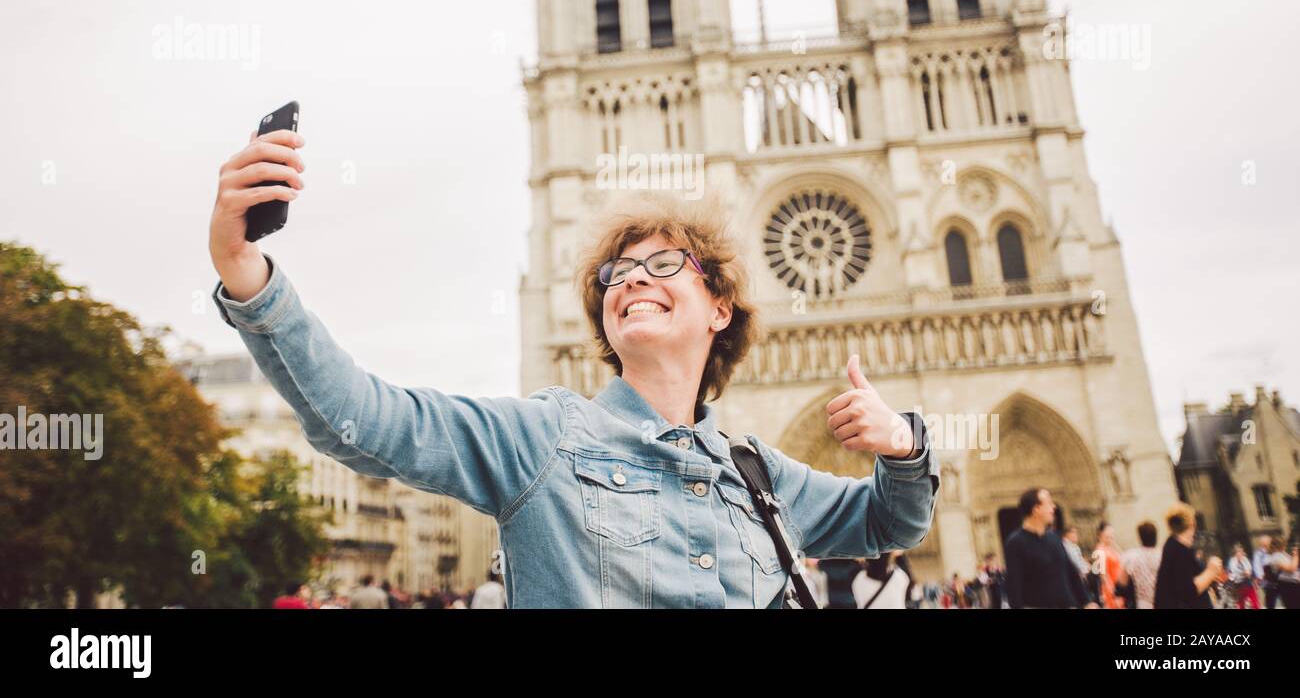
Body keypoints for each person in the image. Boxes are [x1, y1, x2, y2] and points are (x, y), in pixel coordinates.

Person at [207, 140, 940, 609]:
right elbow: (365, 418)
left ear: (720, 309)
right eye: (615, 275)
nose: (631, 281)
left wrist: (904, 448)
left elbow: (890, 521)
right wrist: (250, 278)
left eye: (663, 265)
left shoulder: (758, 475)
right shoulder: (541, 439)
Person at [1003, 488, 1093, 608]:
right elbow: (1014, 586)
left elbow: (1071, 572)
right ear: (1036, 509)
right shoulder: (1015, 543)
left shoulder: (1054, 538)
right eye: (1049, 503)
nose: (1054, 507)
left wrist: (1087, 602)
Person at [1153, 502, 1220, 609]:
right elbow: (1188, 592)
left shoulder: (1172, 545)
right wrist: (1210, 571)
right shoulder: (1180, 550)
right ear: (1192, 524)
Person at [1120, 521, 1162, 610]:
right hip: (1162, 601)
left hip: (1142, 603)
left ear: (1140, 537)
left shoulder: (1131, 556)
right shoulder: (1163, 555)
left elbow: (1122, 582)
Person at [1093, 522, 1128, 609]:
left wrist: (1114, 544)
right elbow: (1103, 576)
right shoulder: (1099, 551)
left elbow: (1124, 559)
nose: (1111, 537)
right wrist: (1113, 594)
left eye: (1112, 534)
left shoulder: (1111, 547)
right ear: (1100, 534)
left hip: (1119, 587)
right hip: (1111, 589)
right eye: (1108, 535)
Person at [1226, 543, 1259, 609]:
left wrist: (1255, 581)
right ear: (1235, 553)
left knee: (1255, 603)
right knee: (1241, 605)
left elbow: (1252, 571)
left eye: (1242, 551)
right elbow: (1230, 574)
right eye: (1239, 551)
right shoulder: (1231, 562)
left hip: (1248, 584)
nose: (1241, 553)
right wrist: (1242, 573)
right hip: (1238, 585)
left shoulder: (1246, 560)